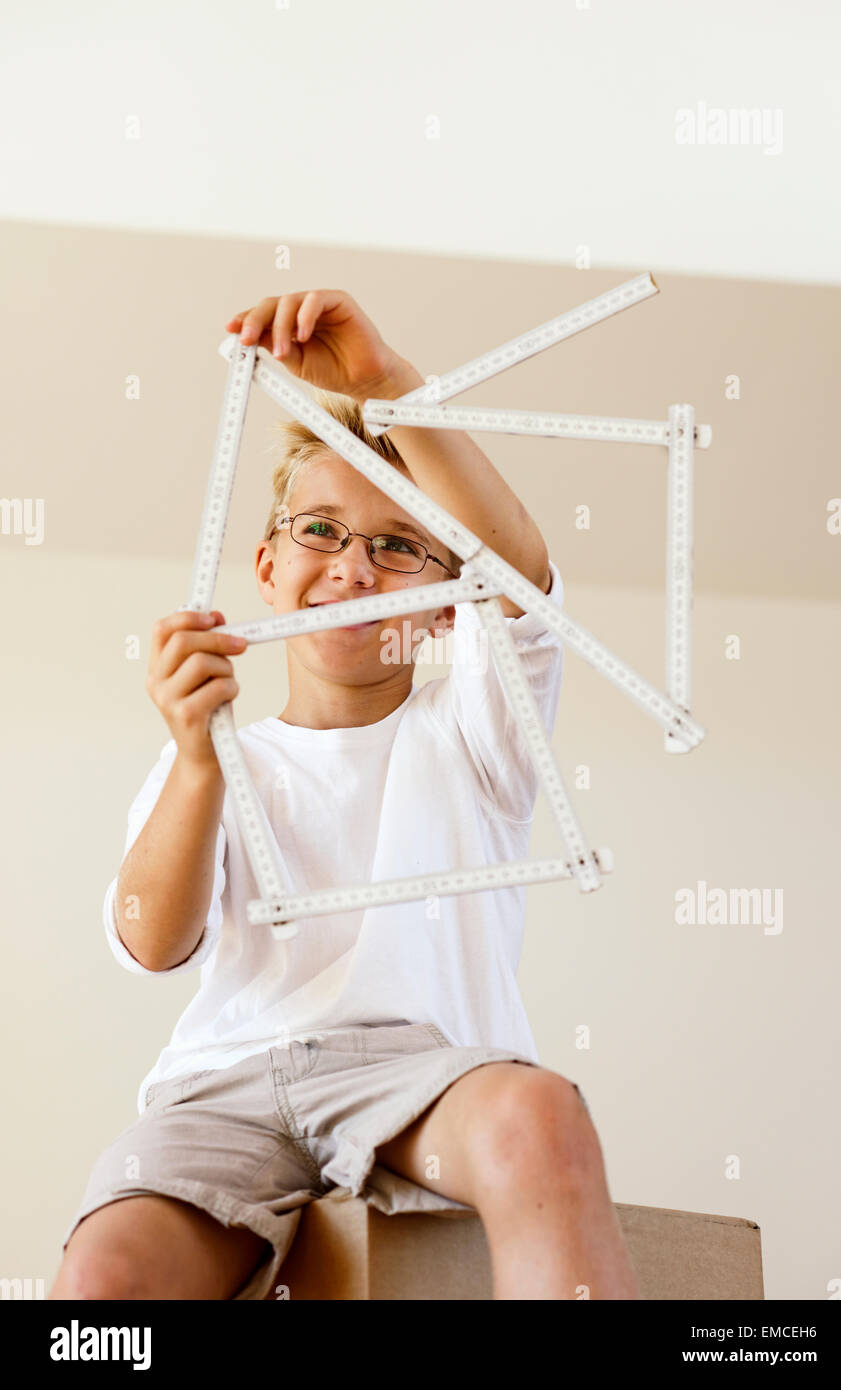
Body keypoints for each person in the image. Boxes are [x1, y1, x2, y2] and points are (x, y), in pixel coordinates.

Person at [50, 291, 640, 1301]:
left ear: (448, 606)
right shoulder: (217, 751)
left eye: (400, 546)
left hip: (420, 1075)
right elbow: (152, 940)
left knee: (539, 1118)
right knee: (101, 1280)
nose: (355, 569)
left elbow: (525, 581)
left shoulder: (471, 732)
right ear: (269, 568)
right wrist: (196, 760)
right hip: (223, 1092)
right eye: (322, 532)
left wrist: (390, 389)